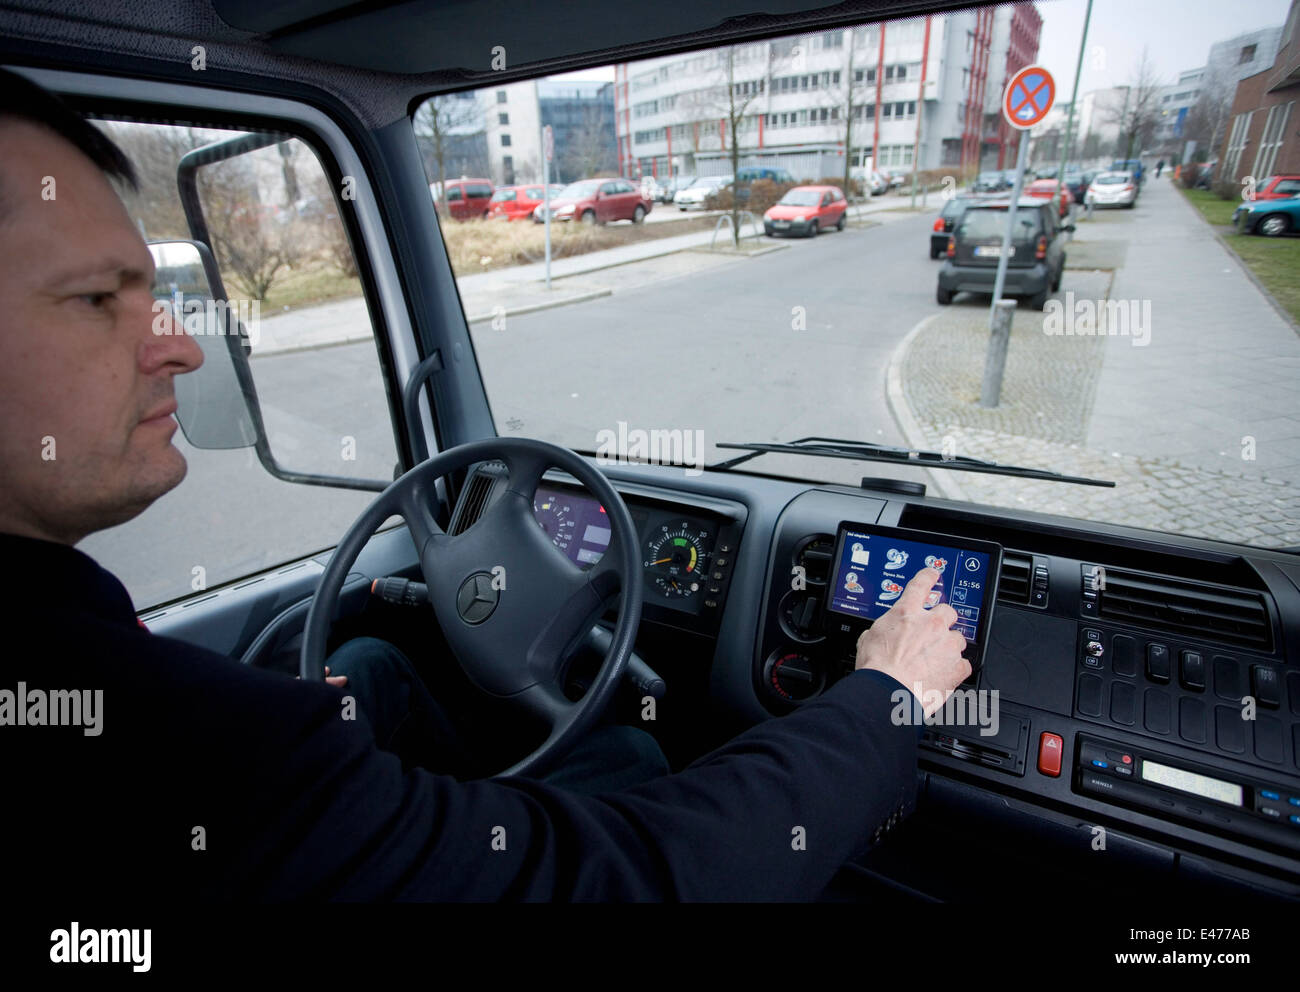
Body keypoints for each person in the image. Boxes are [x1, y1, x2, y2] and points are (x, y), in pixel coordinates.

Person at [0, 68, 970, 901]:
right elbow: (639, 879)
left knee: (374, 674)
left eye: (152, 292)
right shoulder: (195, 753)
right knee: (629, 760)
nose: (175, 345)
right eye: (94, 299)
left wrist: (295, 717)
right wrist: (885, 692)